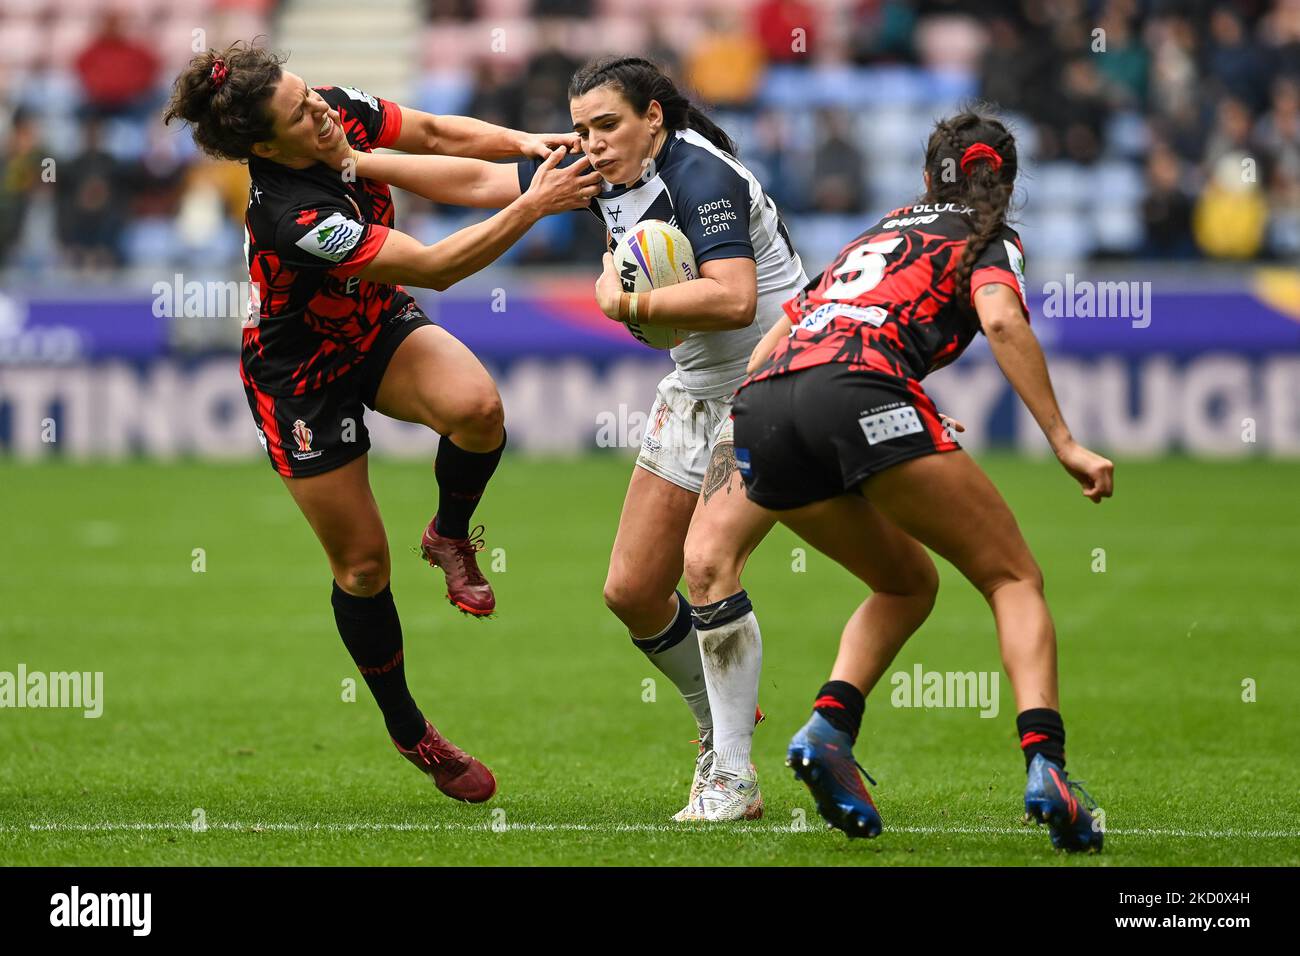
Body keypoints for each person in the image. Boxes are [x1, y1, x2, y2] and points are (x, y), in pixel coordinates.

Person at [324, 56, 810, 822]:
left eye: (608, 125)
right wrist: (355, 163)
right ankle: (719, 728)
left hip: (776, 378)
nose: (592, 143)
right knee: (633, 592)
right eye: (582, 129)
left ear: (655, 116)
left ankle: (734, 776)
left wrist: (624, 301)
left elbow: (734, 296)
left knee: (710, 565)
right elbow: (480, 184)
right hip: (694, 389)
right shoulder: (600, 171)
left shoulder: (701, 175)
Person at [163, 42, 601, 803]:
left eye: (310, 93)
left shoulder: (327, 112)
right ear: (266, 146)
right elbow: (432, 267)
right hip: (299, 377)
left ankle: (450, 534)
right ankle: (411, 731)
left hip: (371, 329)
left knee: (478, 410)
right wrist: (531, 203)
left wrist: (523, 146)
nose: (322, 110)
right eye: (301, 112)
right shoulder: (286, 214)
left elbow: (430, 134)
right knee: (363, 568)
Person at [733, 111, 1112, 852]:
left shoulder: (879, 231)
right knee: (1013, 578)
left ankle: (828, 732)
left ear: (925, 172)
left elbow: (778, 340)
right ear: (1002, 180)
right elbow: (1002, 323)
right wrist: (1064, 441)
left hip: (763, 410)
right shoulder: (988, 237)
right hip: (857, 392)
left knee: (907, 583)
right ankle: (1048, 767)